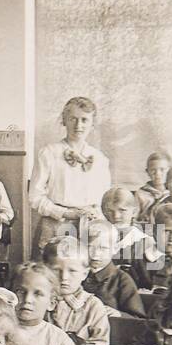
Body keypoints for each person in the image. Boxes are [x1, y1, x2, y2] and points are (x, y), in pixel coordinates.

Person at [28, 96, 112, 253]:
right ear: (64, 120)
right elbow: (35, 196)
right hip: (56, 224)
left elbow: (104, 198)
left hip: (89, 226)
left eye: (84, 120)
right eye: (73, 119)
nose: (78, 125)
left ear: (92, 124)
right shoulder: (48, 153)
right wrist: (66, 213)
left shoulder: (100, 159)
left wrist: (96, 218)